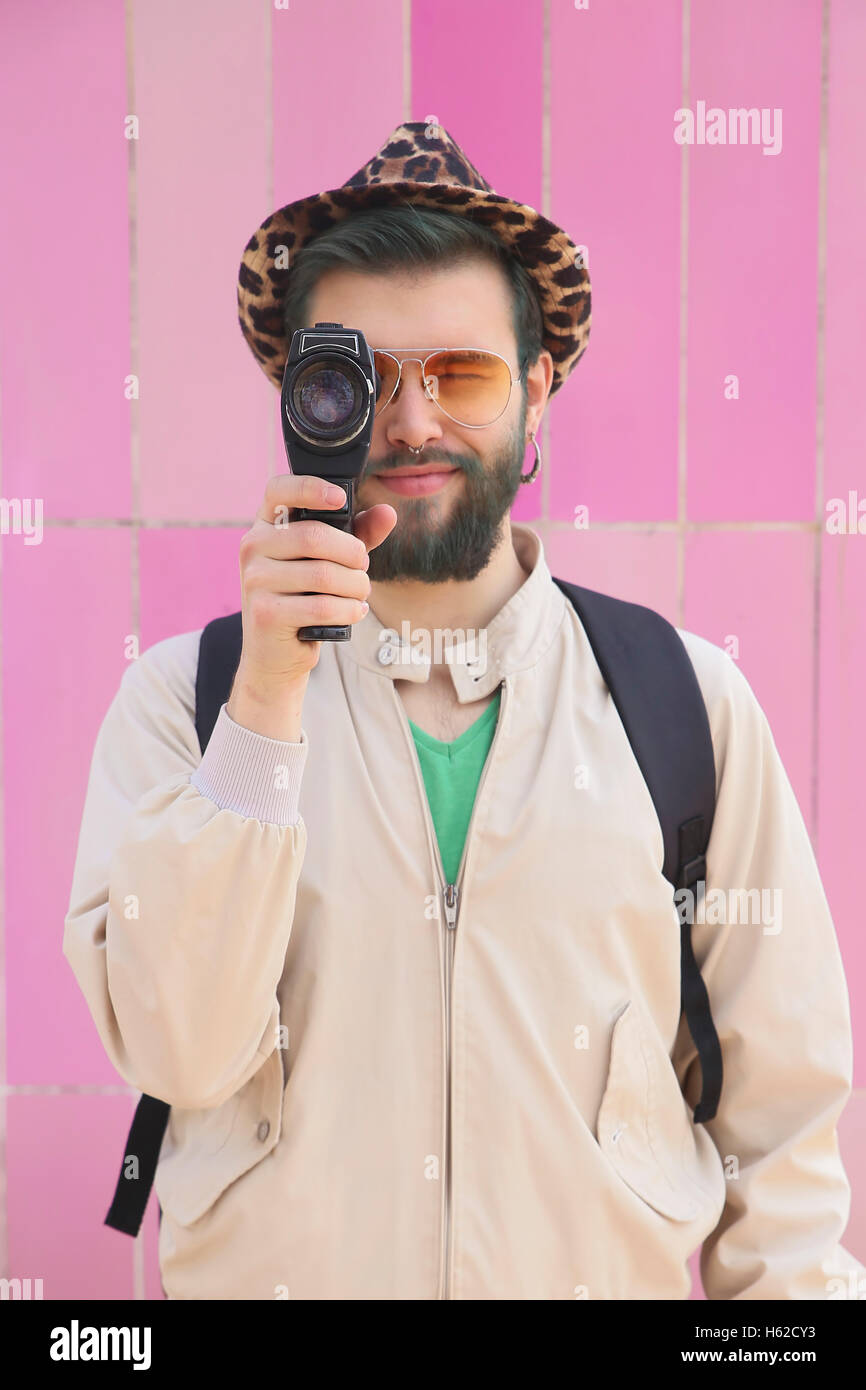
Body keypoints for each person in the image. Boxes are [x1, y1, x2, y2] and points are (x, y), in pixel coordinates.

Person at [64, 121, 863, 1301]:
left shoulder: (685, 704)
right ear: (301, 400)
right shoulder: (183, 708)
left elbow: (781, 1137)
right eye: (360, 377)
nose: (412, 422)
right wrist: (268, 704)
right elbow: (179, 1054)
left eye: (463, 374)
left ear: (537, 393)